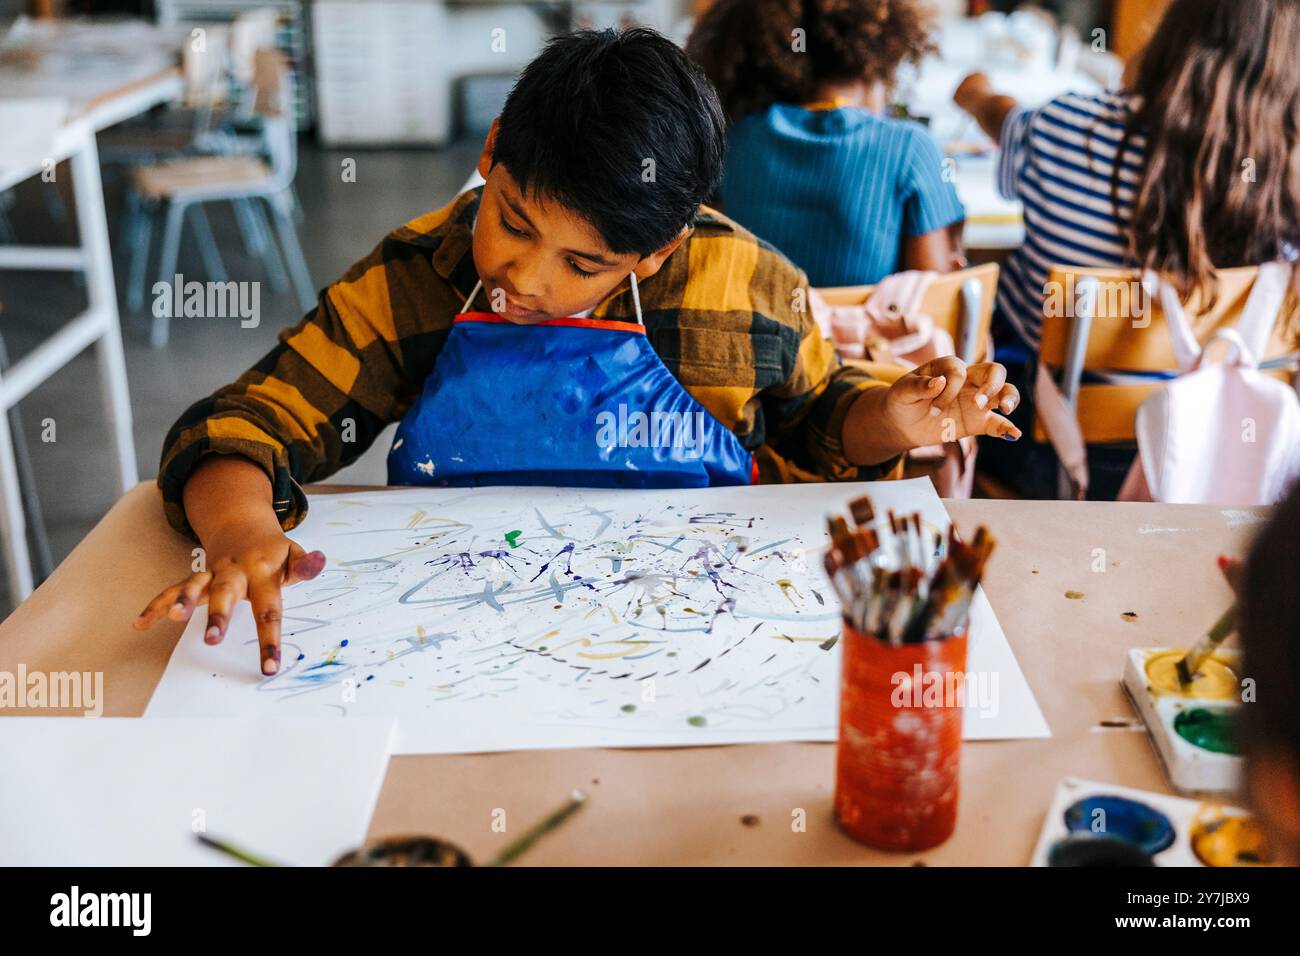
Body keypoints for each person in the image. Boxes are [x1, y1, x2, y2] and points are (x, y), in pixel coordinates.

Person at [133, 28, 1020, 675]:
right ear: (490, 156)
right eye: (511, 221)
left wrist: (888, 415)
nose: (524, 277)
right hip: (451, 640)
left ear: (662, 249)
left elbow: (821, 422)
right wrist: (241, 524)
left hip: (702, 646)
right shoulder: (424, 274)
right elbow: (250, 419)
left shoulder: (746, 284)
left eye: (584, 265)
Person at [688, 0, 965, 287]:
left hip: (755, 331)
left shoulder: (736, 139)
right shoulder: (911, 149)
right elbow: (935, 302)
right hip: (864, 333)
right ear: (882, 58)